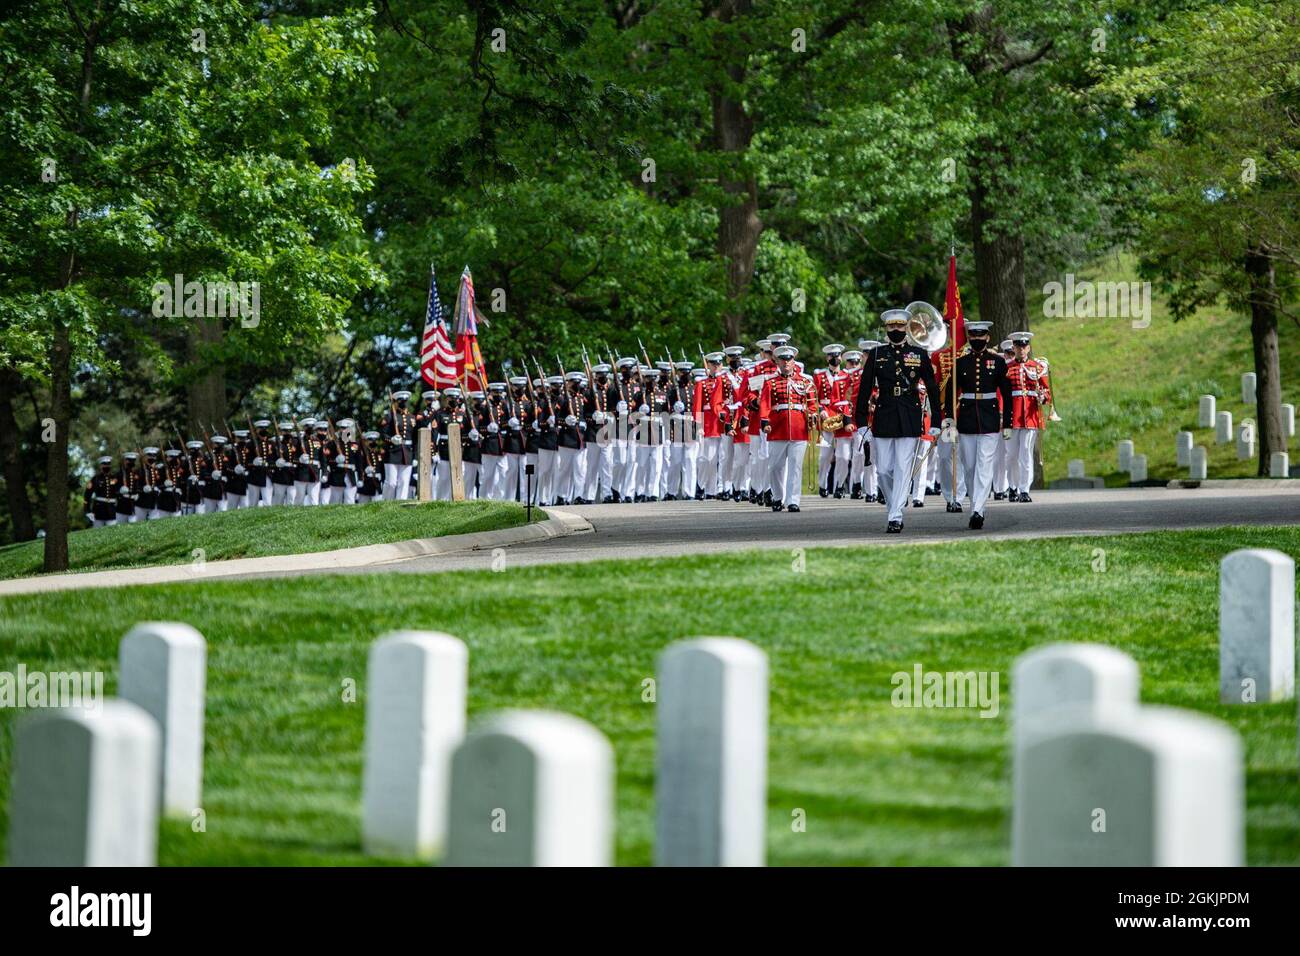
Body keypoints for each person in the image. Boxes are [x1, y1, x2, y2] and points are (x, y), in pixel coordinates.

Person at [854, 309, 942, 533]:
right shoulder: (876, 354)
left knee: (903, 467)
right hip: (884, 415)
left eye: (900, 327)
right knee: (883, 470)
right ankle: (895, 505)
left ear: (907, 328)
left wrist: (936, 422)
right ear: (886, 329)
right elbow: (863, 391)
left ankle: (895, 515)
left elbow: (932, 388)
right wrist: (862, 423)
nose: (896, 330)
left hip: (909, 415)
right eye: (891, 327)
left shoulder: (918, 354)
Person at [942, 320, 1013, 529]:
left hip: (990, 419)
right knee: (970, 465)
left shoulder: (998, 362)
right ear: (969, 338)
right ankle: (977, 504)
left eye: (981, 336)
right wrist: (949, 422)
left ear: (988, 338)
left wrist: (1007, 422)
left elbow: (1007, 396)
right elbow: (950, 395)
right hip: (966, 419)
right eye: (973, 337)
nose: (977, 340)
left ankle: (977, 511)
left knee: (984, 464)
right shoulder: (961, 363)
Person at [760, 345, 818, 512]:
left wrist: (813, 416)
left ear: (794, 361)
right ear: (777, 362)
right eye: (783, 360)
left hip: (799, 428)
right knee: (775, 466)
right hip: (777, 428)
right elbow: (765, 403)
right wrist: (764, 420)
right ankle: (778, 497)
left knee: (795, 466)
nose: (786, 363)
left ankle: (793, 500)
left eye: (789, 359)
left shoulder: (805, 382)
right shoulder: (771, 383)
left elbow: (812, 403)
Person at [1005, 331, 1051, 502]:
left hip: (1030, 415)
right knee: (1011, 455)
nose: (1021, 350)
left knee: (1026, 453)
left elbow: (1046, 391)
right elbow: (1001, 393)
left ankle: (1024, 489)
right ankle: (1012, 486)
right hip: (1012, 415)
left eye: (1024, 347)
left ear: (1029, 348)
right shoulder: (1007, 368)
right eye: (1018, 346)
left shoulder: (1037, 367)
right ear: (1014, 348)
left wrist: (1043, 397)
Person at [383, 391, 417, 500]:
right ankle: (386, 502)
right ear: (397, 402)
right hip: (393, 452)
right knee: (391, 482)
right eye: (401, 401)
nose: (403, 403)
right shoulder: (390, 416)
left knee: (404, 481)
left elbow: (415, 439)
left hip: (407, 452)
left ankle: (399, 503)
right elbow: (383, 434)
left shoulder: (412, 418)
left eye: (405, 401)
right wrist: (391, 439)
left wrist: (415, 456)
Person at [84, 456, 119, 528]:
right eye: (104, 464)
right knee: (97, 533)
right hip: (99, 510)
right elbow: (87, 495)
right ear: (101, 466)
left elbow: (118, 493)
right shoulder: (95, 478)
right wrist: (87, 510)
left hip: (111, 510)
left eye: (108, 464)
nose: (107, 466)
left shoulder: (114, 478)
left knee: (112, 532)